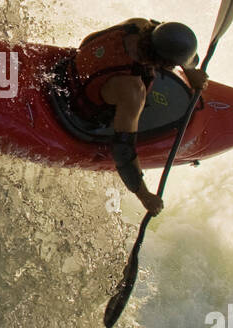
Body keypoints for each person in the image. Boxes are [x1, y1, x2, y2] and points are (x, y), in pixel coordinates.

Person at [73, 19, 208, 214]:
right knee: (127, 104)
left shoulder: (137, 25)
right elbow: (122, 150)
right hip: (81, 108)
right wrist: (145, 197)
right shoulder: (133, 92)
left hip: (73, 69)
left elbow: (164, 34)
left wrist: (190, 71)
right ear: (165, 65)